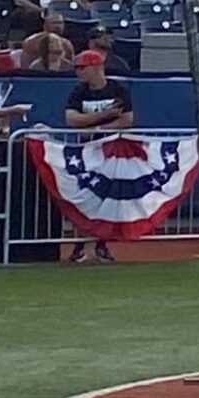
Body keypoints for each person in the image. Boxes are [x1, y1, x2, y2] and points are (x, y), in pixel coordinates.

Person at [63, 50, 135, 263]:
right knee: (83, 196)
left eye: (82, 67)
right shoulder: (79, 91)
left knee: (106, 197)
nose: (79, 72)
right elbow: (71, 119)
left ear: (96, 66)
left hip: (111, 153)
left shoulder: (117, 89)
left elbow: (127, 119)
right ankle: (80, 244)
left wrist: (97, 126)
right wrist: (103, 115)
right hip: (86, 153)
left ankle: (102, 244)